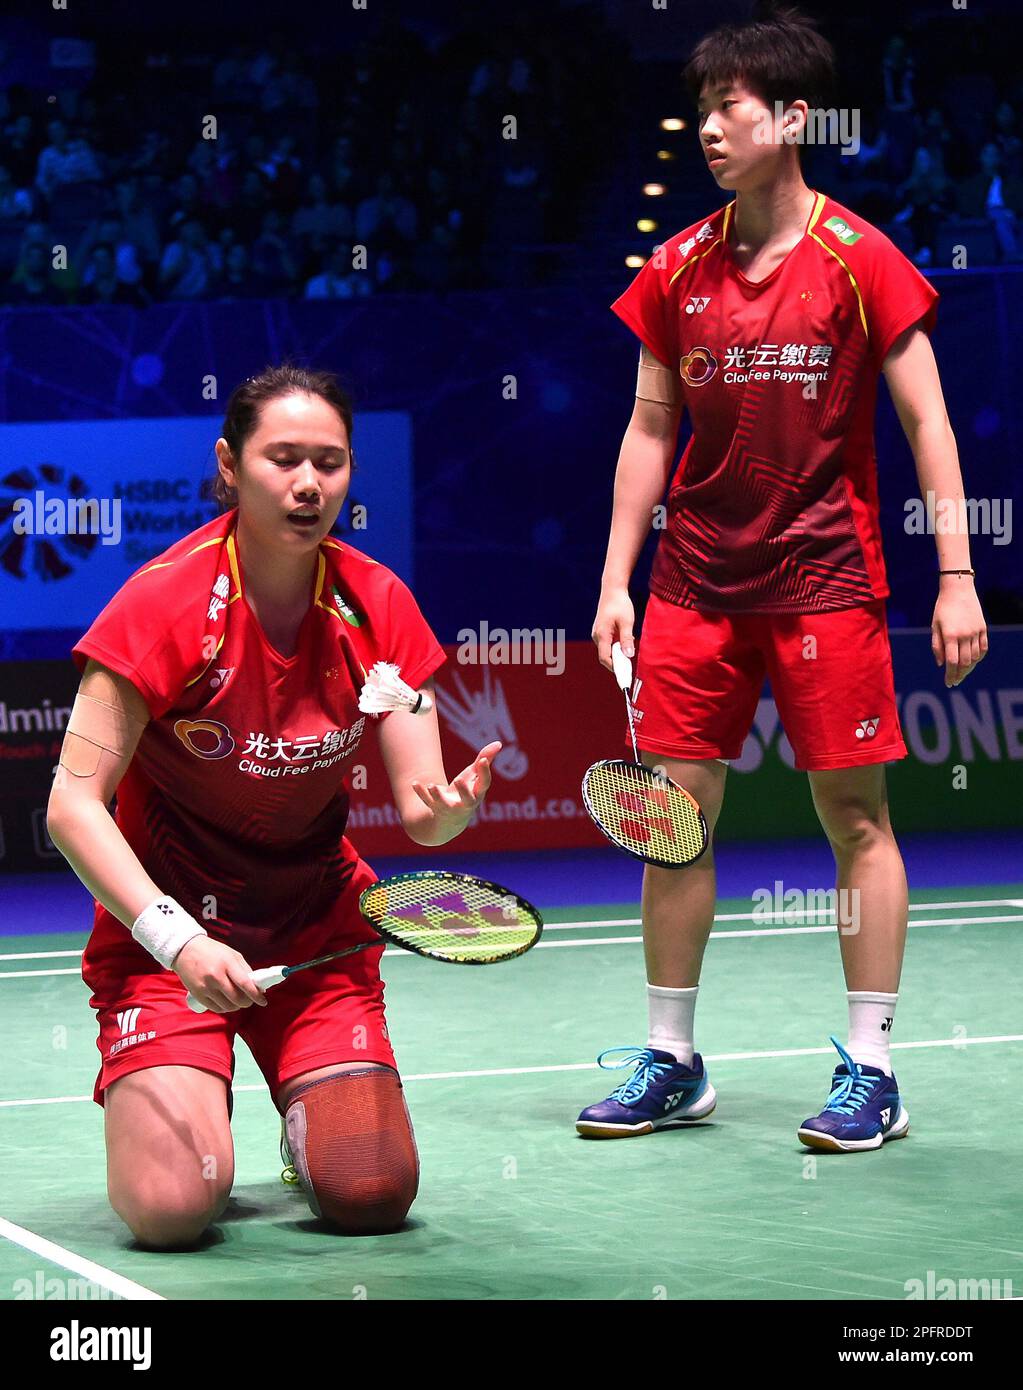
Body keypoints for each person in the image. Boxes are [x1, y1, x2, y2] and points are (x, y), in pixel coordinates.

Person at [580, 6, 988, 1153]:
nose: (710, 127)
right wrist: (616, 577)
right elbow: (649, 429)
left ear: (793, 117)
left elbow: (930, 422)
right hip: (695, 583)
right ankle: (670, 1057)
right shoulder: (675, 268)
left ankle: (873, 1066)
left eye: (732, 107)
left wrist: (957, 572)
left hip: (825, 580)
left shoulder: (862, 260)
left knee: (855, 817)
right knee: (673, 824)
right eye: (702, 108)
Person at [47, 363, 501, 1246]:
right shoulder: (163, 603)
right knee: (173, 1212)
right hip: (170, 938)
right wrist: (178, 941)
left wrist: (450, 812)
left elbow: (421, 809)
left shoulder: (379, 607)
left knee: (370, 1195)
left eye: (329, 463)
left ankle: (309, 1114)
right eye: (282, 459)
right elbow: (72, 803)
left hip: (314, 934)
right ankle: (181, 1086)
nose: (307, 484)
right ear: (229, 464)